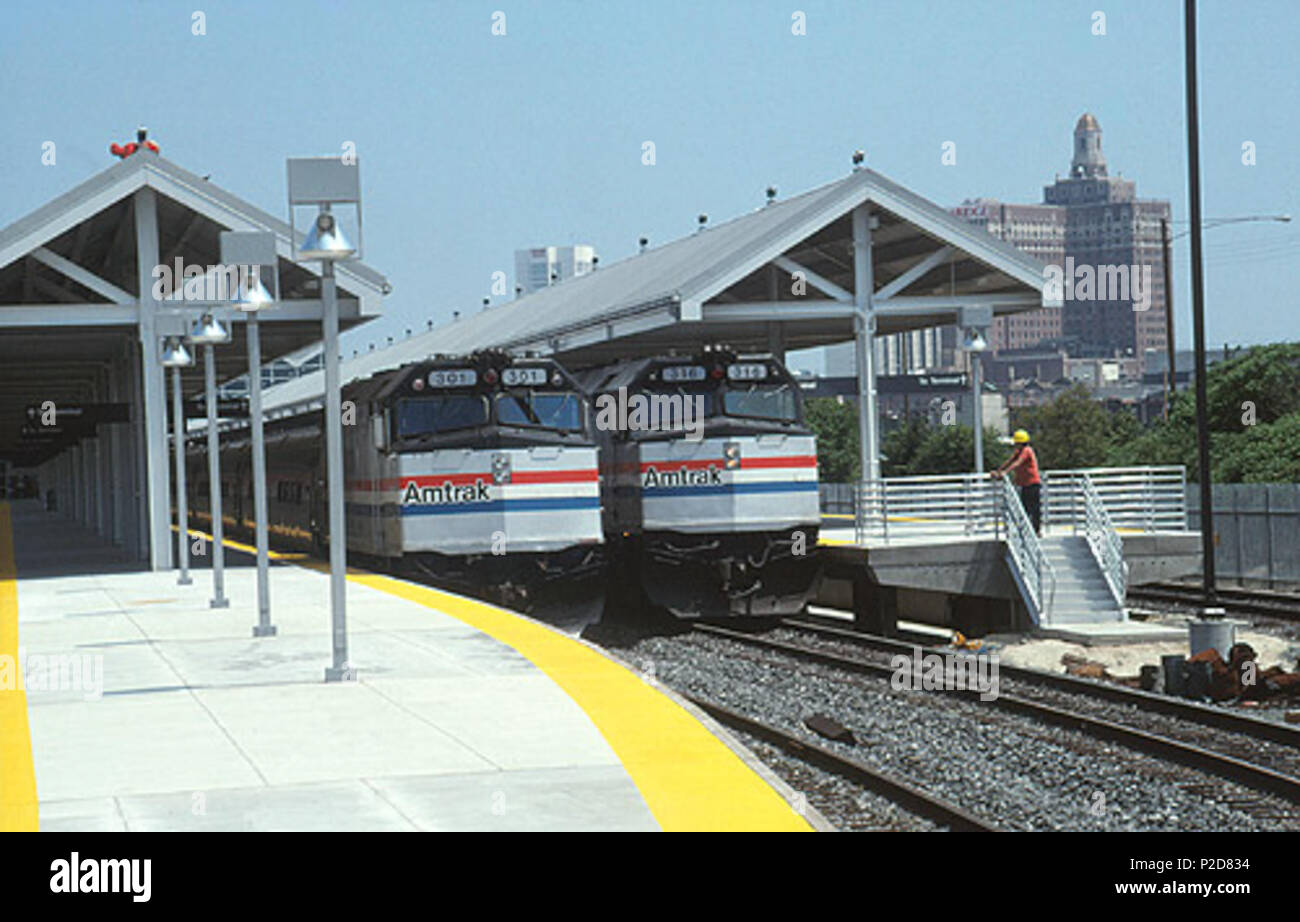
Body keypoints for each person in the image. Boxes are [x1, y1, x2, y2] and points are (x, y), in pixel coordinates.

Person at [990, 429, 1042, 535]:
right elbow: (1010, 461)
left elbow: (1017, 463)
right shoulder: (1019, 452)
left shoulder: (1027, 451)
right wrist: (999, 471)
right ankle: (1026, 530)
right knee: (1024, 507)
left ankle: (1036, 530)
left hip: (1032, 483)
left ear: (1020, 443)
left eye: (1016, 443)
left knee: (1034, 508)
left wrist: (1005, 472)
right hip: (1024, 484)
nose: (1015, 445)